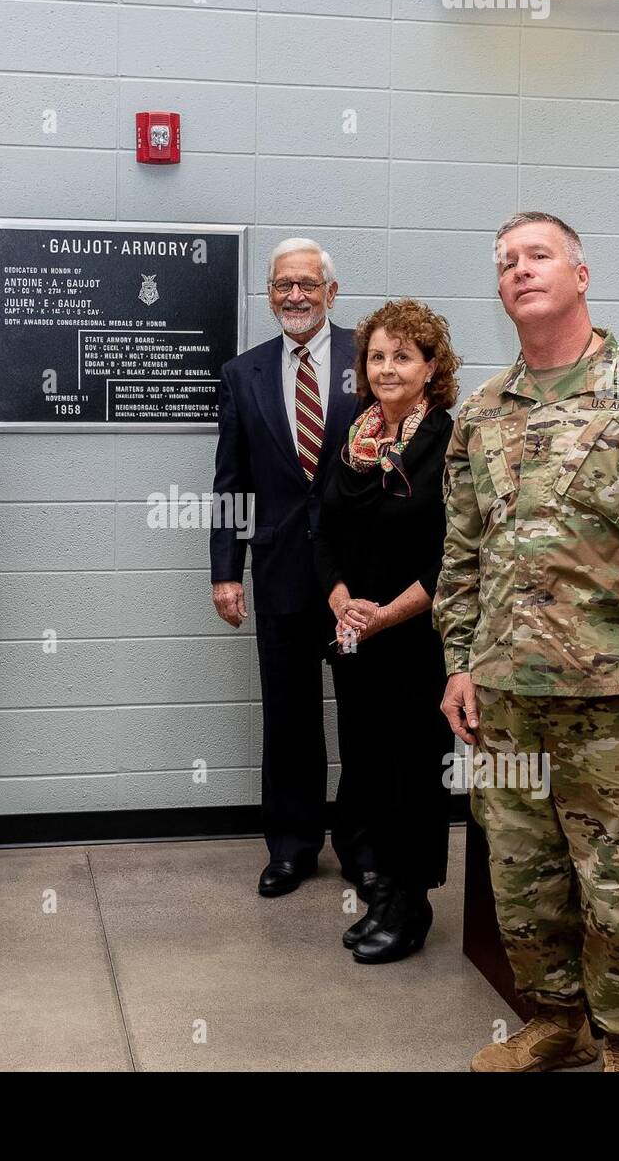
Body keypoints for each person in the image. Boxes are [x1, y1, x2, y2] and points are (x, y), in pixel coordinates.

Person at [434, 211, 619, 1072]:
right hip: (505, 700)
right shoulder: (484, 414)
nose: (518, 271)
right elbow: (462, 555)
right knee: (522, 880)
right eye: (504, 263)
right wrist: (460, 663)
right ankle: (558, 1021)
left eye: (537, 256)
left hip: (614, 703)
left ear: (580, 274)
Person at [211, 238, 372, 898]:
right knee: (288, 717)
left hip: (358, 580)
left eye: (308, 284)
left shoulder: (372, 358)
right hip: (278, 572)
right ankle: (292, 844)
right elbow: (231, 480)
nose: (295, 296)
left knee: (362, 714)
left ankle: (362, 845)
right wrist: (226, 569)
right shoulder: (242, 373)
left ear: (331, 293)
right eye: (283, 286)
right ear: (270, 294)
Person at [315, 300, 458, 963]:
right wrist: (343, 599)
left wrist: (384, 613)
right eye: (376, 355)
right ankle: (383, 893)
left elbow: (454, 553)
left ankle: (412, 901)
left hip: (415, 640)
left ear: (431, 366)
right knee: (369, 766)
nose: (387, 367)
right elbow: (324, 529)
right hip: (355, 639)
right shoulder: (352, 435)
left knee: (413, 773)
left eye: (403, 355)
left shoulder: (449, 442)